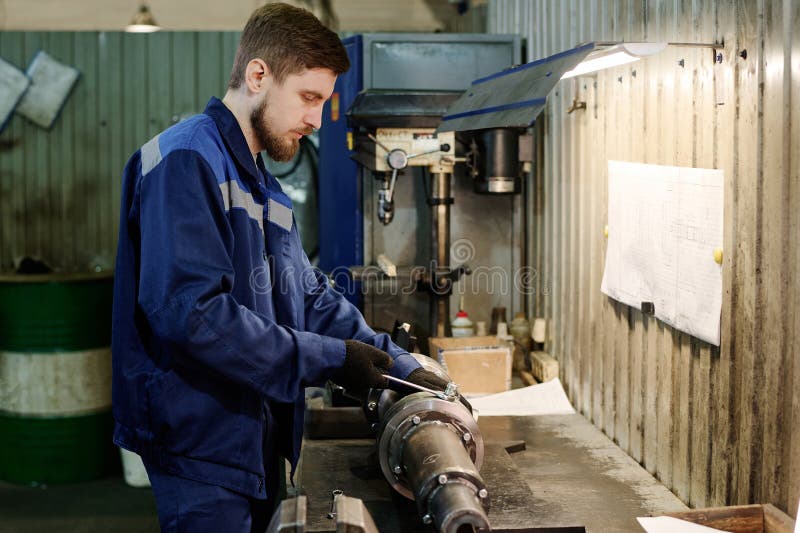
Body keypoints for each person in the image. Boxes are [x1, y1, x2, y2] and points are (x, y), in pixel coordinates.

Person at [111, 3, 459, 532]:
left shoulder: (263, 186)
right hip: (201, 444)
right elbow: (193, 315)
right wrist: (334, 358)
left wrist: (395, 364)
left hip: (256, 438)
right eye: (309, 97)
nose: (317, 120)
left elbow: (309, 296)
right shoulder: (187, 160)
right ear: (258, 75)